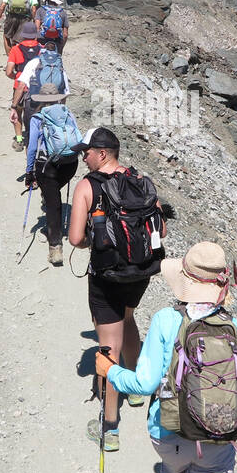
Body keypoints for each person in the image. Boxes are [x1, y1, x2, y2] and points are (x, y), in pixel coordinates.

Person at [95, 241, 237, 473]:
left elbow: (144, 384)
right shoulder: (235, 327)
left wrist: (111, 371)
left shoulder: (166, 320)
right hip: (218, 440)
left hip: (169, 434)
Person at [67, 128, 166, 452]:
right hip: (140, 273)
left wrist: (99, 244)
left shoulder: (87, 186)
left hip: (107, 276)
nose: (84, 156)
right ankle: (136, 388)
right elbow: (160, 228)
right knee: (128, 317)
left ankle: (109, 428)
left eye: (88, 151)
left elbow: (75, 238)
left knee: (107, 347)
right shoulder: (140, 180)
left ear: (104, 153)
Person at [24, 84, 81, 266]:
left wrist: (29, 172)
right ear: (58, 98)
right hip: (70, 162)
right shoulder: (67, 113)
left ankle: (55, 248)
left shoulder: (37, 118)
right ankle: (48, 196)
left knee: (53, 203)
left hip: (47, 165)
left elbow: (32, 147)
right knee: (53, 192)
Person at [5, 22, 44, 150]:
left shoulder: (16, 49)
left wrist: (16, 77)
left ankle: (20, 139)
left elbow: (9, 71)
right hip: (38, 87)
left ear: (23, 35)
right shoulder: (42, 49)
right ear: (35, 35)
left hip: (20, 85)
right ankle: (36, 137)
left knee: (18, 111)